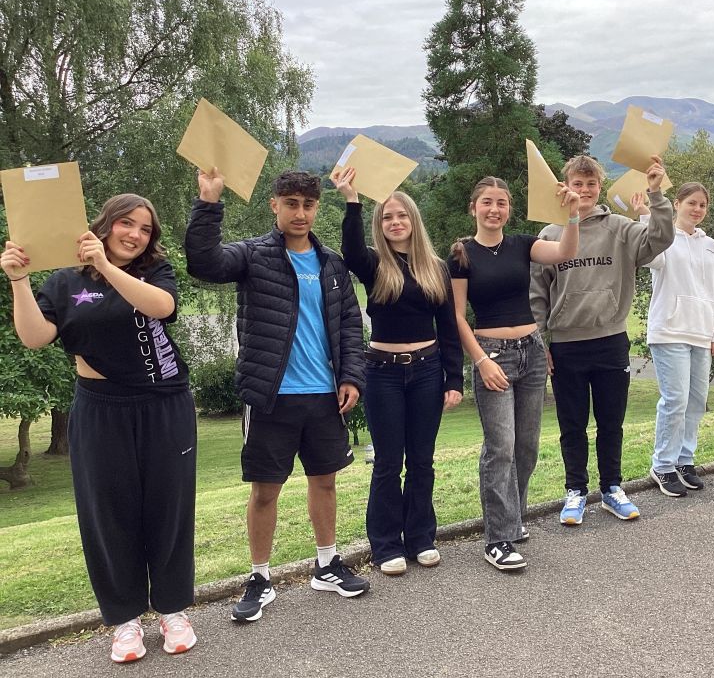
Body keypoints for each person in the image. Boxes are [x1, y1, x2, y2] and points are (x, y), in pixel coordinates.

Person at [2, 195, 197, 663]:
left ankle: (172, 610)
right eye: (126, 224)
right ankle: (125, 620)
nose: (135, 235)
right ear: (104, 225)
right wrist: (19, 280)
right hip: (100, 407)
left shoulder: (154, 271)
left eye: (145, 229)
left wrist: (106, 267)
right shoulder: (64, 281)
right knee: (107, 513)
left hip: (165, 404)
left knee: (168, 508)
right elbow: (34, 337)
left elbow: (162, 307)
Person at [184, 168, 368, 622]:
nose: (300, 213)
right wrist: (209, 203)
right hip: (270, 395)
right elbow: (203, 263)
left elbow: (349, 324)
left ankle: (327, 564)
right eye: (291, 204)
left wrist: (351, 376)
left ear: (316, 208)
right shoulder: (253, 255)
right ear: (275, 205)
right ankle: (260, 577)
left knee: (325, 481)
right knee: (266, 490)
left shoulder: (332, 264)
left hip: (324, 396)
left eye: (308, 205)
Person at [531, 155, 673, 524]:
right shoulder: (549, 235)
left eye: (591, 184)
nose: (584, 190)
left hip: (610, 340)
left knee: (611, 423)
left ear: (599, 187)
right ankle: (575, 491)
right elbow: (537, 295)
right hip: (565, 346)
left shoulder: (621, 228)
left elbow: (661, 238)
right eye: (577, 184)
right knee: (572, 426)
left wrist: (656, 194)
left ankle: (612, 488)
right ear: (565, 187)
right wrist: (541, 342)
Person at [335, 169, 463, 576]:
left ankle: (421, 537)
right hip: (382, 374)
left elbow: (449, 327)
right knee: (388, 463)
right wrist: (352, 201)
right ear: (380, 224)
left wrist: (454, 379)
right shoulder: (374, 264)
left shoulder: (436, 267)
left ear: (413, 220)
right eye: (387, 217)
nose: (395, 222)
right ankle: (386, 544)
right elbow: (351, 251)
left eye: (401, 215)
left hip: (427, 371)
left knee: (422, 461)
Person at [448, 176, 580, 571]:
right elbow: (457, 316)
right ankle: (498, 539)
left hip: (532, 351)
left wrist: (572, 215)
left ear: (509, 209)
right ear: (474, 207)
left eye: (502, 203)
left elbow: (565, 252)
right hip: (492, 354)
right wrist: (481, 361)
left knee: (527, 446)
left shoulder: (523, 244)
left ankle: (513, 518)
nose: (494, 209)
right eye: (487, 202)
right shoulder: (461, 254)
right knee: (500, 447)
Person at [636, 182, 714, 496]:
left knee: (696, 401)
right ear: (677, 204)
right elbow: (649, 256)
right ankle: (663, 465)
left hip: (702, 333)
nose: (697, 209)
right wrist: (645, 217)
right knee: (675, 400)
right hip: (669, 330)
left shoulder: (712, 246)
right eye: (691, 203)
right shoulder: (665, 239)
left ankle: (684, 459)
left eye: (702, 204)